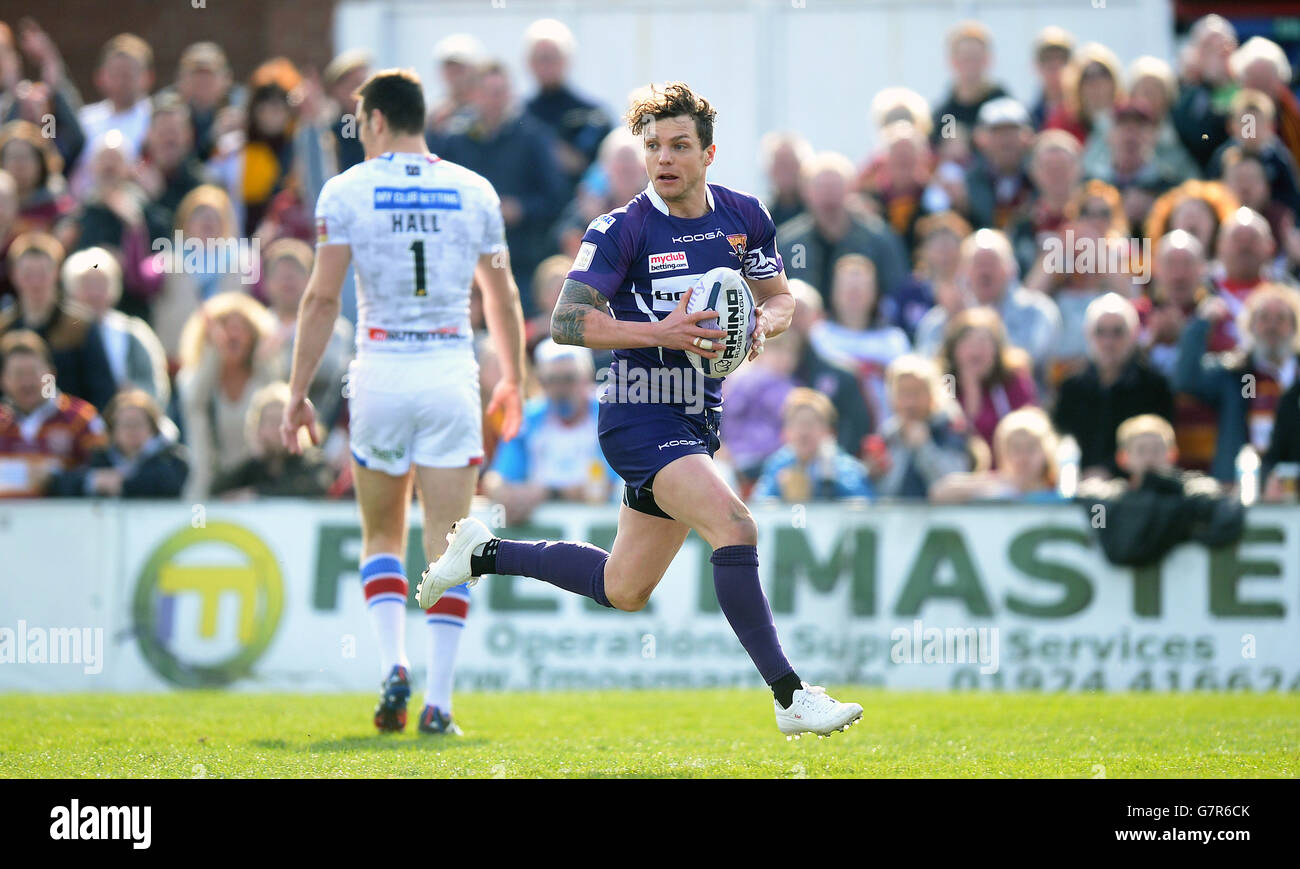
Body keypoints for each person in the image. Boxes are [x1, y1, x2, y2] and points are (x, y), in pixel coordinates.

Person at [418, 81, 863, 738]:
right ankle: (790, 695)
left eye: (680, 145)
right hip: (637, 415)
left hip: (695, 421)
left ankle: (485, 552)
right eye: (653, 145)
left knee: (623, 587)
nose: (664, 158)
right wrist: (663, 333)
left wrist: (761, 324)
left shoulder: (746, 216)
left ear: (709, 152)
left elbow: (781, 296)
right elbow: (568, 321)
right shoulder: (620, 228)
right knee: (736, 525)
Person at [280, 69, 526, 737]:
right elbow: (501, 296)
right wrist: (514, 379)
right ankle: (440, 704)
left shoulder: (348, 190)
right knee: (452, 545)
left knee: (381, 534)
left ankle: (393, 661)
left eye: (360, 126)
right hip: (450, 367)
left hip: (381, 367)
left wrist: (298, 393)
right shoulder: (473, 189)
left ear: (378, 121)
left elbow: (323, 299)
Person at [1174, 283, 1300, 481]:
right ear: (1249, 326)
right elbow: (1186, 380)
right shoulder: (1234, 374)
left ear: (1294, 327)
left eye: (1281, 319)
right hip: (1240, 483)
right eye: (1264, 318)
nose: (1272, 326)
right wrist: (1202, 324)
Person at [483, 340, 614, 525]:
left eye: (569, 379)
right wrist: (507, 496)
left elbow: (605, 489)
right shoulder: (527, 419)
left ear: (587, 377)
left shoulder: (610, 416)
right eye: (551, 381)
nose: (560, 390)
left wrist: (546, 493)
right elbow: (496, 478)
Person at [1050, 293, 1174, 478]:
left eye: (1118, 332)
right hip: (1078, 489)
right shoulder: (1071, 386)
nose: (1108, 342)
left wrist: (1109, 472)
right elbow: (1059, 438)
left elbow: (1161, 444)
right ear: (1087, 335)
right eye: (1100, 332)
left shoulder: (1154, 386)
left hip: (1133, 491)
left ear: (1134, 335)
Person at [175, 291, 282, 499]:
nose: (233, 334)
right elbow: (194, 401)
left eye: (242, 328)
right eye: (224, 326)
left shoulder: (264, 377)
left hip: (253, 488)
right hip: (207, 487)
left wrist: (264, 361)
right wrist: (214, 352)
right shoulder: (192, 379)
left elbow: (274, 401)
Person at [0, 231, 116, 409]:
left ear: (56, 273)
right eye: (28, 273)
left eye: (42, 273)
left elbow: (102, 389)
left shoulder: (79, 326)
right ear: (14, 275)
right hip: (13, 429)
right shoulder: (4, 328)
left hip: (72, 427)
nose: (36, 282)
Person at [777, 150, 908, 302]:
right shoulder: (787, 243)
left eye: (835, 186)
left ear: (851, 189)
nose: (828, 194)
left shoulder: (879, 240)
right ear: (806, 192)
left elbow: (897, 289)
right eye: (821, 187)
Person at [0, 329, 106, 497]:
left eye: (34, 373)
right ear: (4, 380)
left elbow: (105, 476)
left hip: (66, 521)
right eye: (19, 374)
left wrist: (57, 479)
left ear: (51, 375)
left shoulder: (81, 418)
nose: (27, 382)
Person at [61, 246, 169, 405]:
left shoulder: (132, 331)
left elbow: (153, 384)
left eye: (101, 284)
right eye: (87, 284)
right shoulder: (60, 333)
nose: (94, 293)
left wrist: (135, 397)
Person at [46, 388, 188, 498]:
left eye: (138, 424)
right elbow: (65, 484)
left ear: (152, 428)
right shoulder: (100, 458)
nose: (132, 430)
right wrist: (94, 481)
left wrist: (122, 484)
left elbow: (167, 483)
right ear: (112, 431)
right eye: (125, 425)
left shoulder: (172, 458)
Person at [866, 354, 974, 498]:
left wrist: (924, 447)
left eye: (917, 393)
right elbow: (885, 493)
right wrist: (871, 474)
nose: (910, 402)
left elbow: (955, 481)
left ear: (933, 395)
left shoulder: (950, 428)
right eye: (903, 393)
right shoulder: (889, 434)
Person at [213, 381, 333, 498]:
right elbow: (217, 490)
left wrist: (258, 494)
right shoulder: (256, 466)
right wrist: (254, 458)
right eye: (270, 421)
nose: (278, 429)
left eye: (282, 421)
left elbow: (317, 486)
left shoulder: (311, 461)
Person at [752, 388, 873, 502]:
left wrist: (825, 484)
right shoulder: (778, 463)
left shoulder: (842, 465)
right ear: (786, 431)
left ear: (828, 431)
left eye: (811, 424)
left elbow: (862, 504)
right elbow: (759, 503)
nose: (804, 432)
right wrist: (779, 489)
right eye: (797, 423)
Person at [930, 406, 1064, 503]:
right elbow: (938, 493)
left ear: (1046, 451)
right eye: (1016, 448)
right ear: (1003, 452)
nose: (1023, 457)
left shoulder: (1058, 488)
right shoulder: (995, 486)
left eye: (1031, 448)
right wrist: (999, 484)